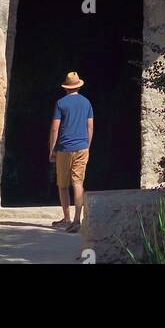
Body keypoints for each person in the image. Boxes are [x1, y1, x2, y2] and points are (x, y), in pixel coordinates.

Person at [49, 71, 93, 233]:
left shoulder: (61, 103)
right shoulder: (87, 103)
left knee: (62, 185)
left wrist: (52, 149)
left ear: (66, 87)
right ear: (79, 86)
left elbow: (55, 128)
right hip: (82, 147)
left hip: (65, 149)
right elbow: (90, 126)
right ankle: (77, 220)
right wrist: (87, 145)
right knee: (78, 183)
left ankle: (66, 218)